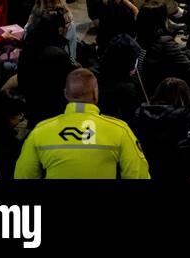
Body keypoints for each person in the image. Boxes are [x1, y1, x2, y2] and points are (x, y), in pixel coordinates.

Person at [15, 69, 149, 178]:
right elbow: (138, 175)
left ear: (66, 94)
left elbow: (23, 175)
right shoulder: (119, 130)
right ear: (95, 93)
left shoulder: (40, 131)